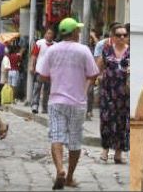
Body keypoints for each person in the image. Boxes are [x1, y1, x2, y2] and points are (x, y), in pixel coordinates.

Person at [36, 17, 100, 190]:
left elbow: (42, 75)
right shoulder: (83, 50)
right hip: (78, 102)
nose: (79, 33)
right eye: (78, 30)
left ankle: (60, 170)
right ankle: (70, 176)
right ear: (74, 33)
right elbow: (93, 73)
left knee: (56, 136)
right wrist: (85, 87)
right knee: (75, 141)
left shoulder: (52, 50)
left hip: (56, 100)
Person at [96, 23, 130, 164]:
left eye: (124, 35)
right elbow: (98, 69)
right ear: (113, 37)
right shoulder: (107, 50)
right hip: (108, 92)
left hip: (124, 93)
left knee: (122, 122)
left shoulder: (132, 52)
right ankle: (105, 150)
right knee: (106, 120)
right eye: (119, 35)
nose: (122, 37)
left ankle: (118, 153)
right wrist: (100, 78)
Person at [30, 27, 55, 114]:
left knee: (47, 90)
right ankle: (35, 105)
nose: (49, 35)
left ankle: (45, 107)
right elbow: (34, 56)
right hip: (39, 69)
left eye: (51, 33)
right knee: (37, 88)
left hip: (50, 72)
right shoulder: (39, 43)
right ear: (45, 34)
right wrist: (32, 66)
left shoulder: (56, 45)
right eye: (48, 33)